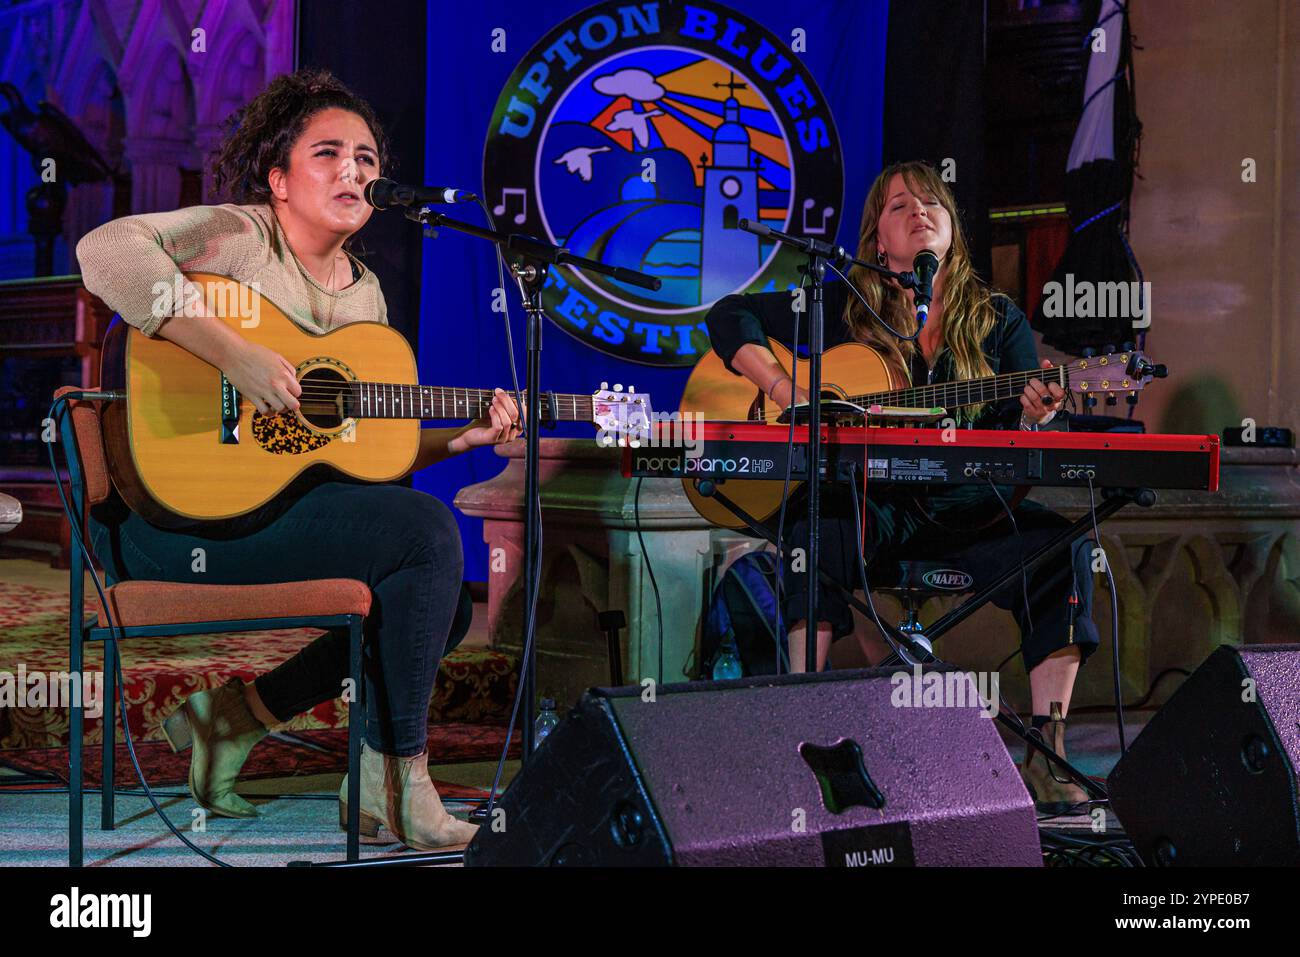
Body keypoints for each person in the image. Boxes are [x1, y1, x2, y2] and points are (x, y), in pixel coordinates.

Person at [76, 69, 520, 850]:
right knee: (425, 537)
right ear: (279, 180)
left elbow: (353, 451)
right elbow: (105, 248)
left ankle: (243, 720)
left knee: (440, 599)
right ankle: (399, 782)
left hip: (272, 510)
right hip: (170, 520)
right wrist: (233, 353)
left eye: (367, 158)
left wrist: (459, 439)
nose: (354, 169)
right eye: (328, 153)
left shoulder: (366, 298)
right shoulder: (240, 236)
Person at [704, 161, 1099, 814]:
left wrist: (1034, 417)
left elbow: (1017, 439)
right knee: (812, 532)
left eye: (932, 203)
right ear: (877, 240)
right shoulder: (840, 308)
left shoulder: (998, 321)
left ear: (953, 229)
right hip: (871, 512)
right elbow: (728, 315)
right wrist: (784, 387)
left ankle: (1045, 754)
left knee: (1064, 548)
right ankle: (800, 742)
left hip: (966, 514)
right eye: (899, 206)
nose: (919, 212)